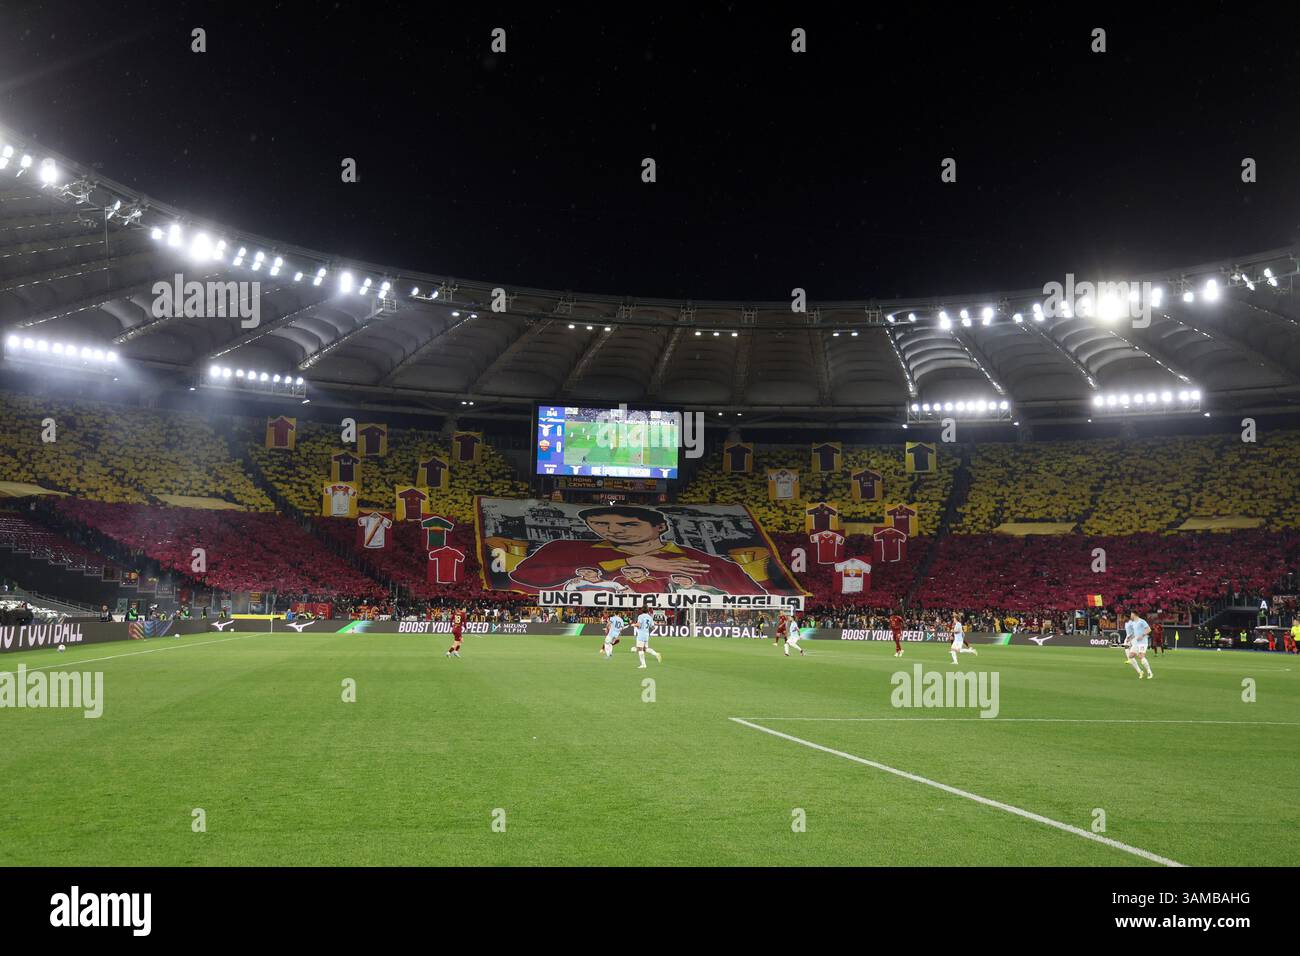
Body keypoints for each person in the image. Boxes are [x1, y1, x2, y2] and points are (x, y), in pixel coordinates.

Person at [1124, 611, 1154, 680]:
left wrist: (1142, 635)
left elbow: (1149, 629)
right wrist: (1130, 638)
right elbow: (1135, 633)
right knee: (1130, 656)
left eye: (1131, 614)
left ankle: (1150, 672)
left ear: (1134, 614)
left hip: (1143, 642)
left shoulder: (1142, 621)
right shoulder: (1134, 623)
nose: (1130, 615)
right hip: (1137, 643)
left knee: (1141, 657)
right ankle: (1140, 671)